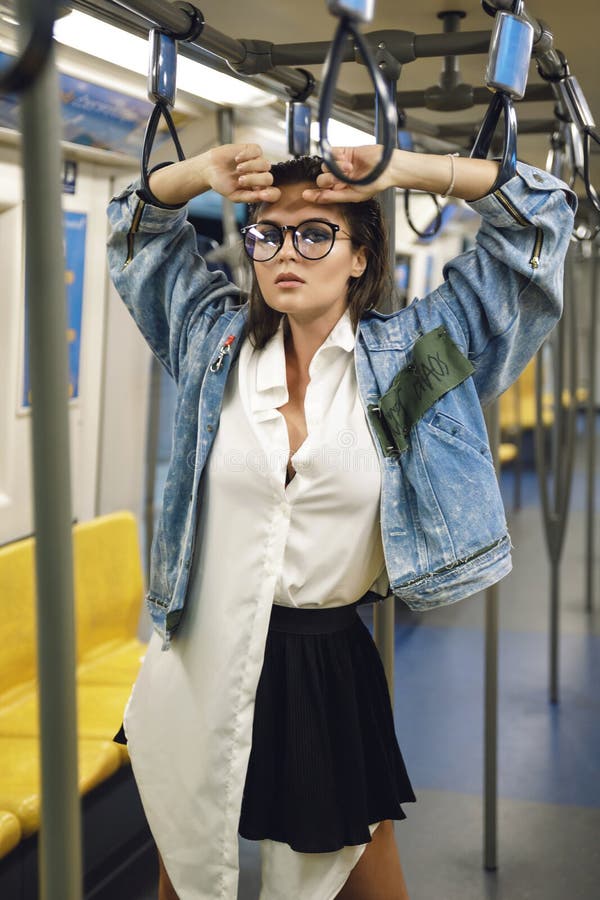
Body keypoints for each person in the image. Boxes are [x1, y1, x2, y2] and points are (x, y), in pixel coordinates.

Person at [107, 143, 575, 900]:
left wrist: (404, 169)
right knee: (186, 868)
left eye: (316, 233)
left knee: (355, 878)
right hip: (201, 649)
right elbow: (133, 232)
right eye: (267, 233)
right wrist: (198, 177)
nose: (285, 252)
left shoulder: (415, 363)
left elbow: (541, 224)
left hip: (322, 663)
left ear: (361, 256)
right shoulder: (210, 345)